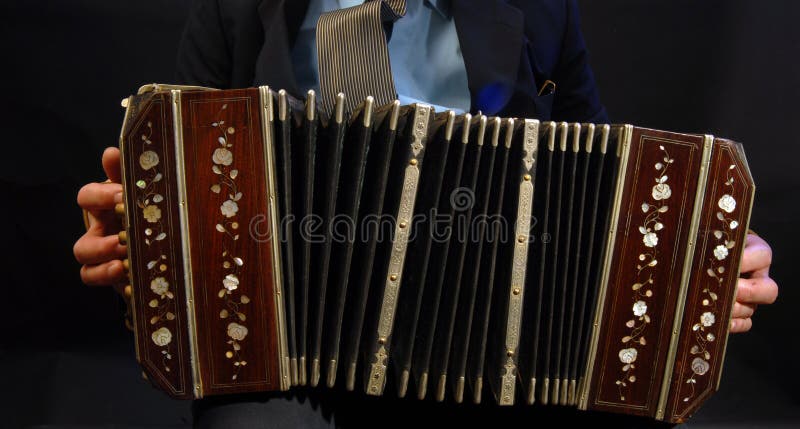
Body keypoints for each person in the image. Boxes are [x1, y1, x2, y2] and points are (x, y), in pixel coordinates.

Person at [73, 0, 778, 426]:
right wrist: (145, 233)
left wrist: (701, 267)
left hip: (507, 364)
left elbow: (605, 192)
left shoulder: (540, 7)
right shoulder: (236, 7)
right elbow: (181, 177)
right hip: (289, 361)